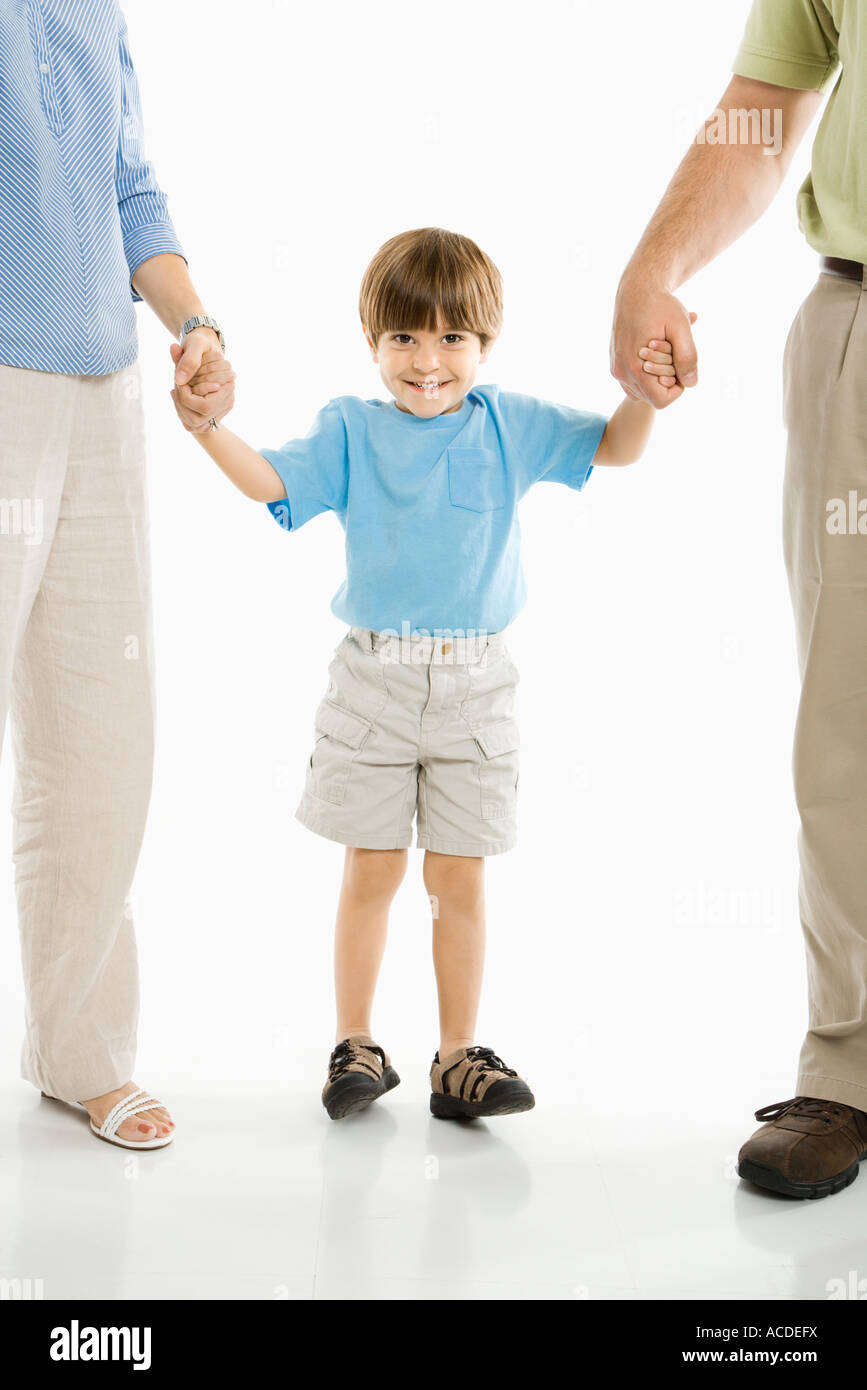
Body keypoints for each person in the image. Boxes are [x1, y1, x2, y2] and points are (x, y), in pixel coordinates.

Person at [172, 226, 674, 1120]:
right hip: (374, 685)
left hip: (476, 687)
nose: (427, 360)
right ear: (372, 343)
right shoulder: (350, 430)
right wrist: (211, 428)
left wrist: (643, 389)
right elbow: (267, 483)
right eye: (403, 336)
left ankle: (455, 1057)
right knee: (371, 868)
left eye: (452, 338)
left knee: (459, 879)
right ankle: (355, 1043)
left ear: (484, 346)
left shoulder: (508, 423)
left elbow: (617, 448)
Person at [610, 0, 867, 1197]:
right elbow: (771, 97)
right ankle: (852, 1062)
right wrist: (656, 264)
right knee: (848, 723)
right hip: (859, 312)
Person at [0, 1, 234, 1149]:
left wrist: (196, 326)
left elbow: (131, 183)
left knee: (100, 737)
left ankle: (80, 1049)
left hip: (107, 383)